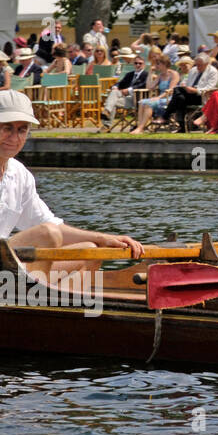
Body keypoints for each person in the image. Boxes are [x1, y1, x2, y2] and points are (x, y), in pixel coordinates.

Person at [0, 90, 144, 288]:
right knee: (48, 235)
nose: (15, 138)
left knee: (90, 251)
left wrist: (105, 238)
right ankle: (35, 300)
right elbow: (49, 232)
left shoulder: (19, 173)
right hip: (6, 270)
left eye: (22, 130)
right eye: (7, 128)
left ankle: (61, 310)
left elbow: (51, 224)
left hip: (8, 272)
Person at [130, 51, 179, 134]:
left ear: (164, 64)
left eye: (158, 64)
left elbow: (171, 90)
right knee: (142, 102)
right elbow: (149, 87)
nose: (156, 66)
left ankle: (140, 128)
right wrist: (150, 73)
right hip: (160, 98)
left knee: (149, 104)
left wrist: (158, 97)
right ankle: (140, 127)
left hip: (169, 99)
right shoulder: (160, 76)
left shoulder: (174, 74)